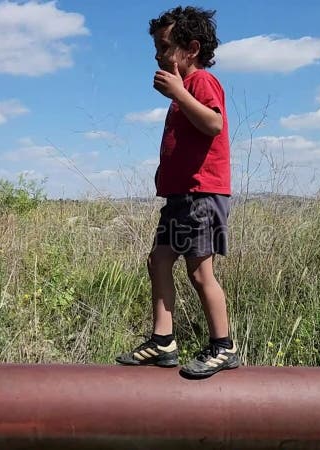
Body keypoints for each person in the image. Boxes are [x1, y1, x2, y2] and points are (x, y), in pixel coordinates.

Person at [116, 6, 237, 378]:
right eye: (156, 48)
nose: (158, 56)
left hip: (201, 196)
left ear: (192, 48)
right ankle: (164, 340)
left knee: (200, 274)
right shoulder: (183, 93)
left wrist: (181, 94)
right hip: (180, 197)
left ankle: (224, 346)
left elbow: (213, 123)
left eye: (165, 47)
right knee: (158, 260)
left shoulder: (201, 83)